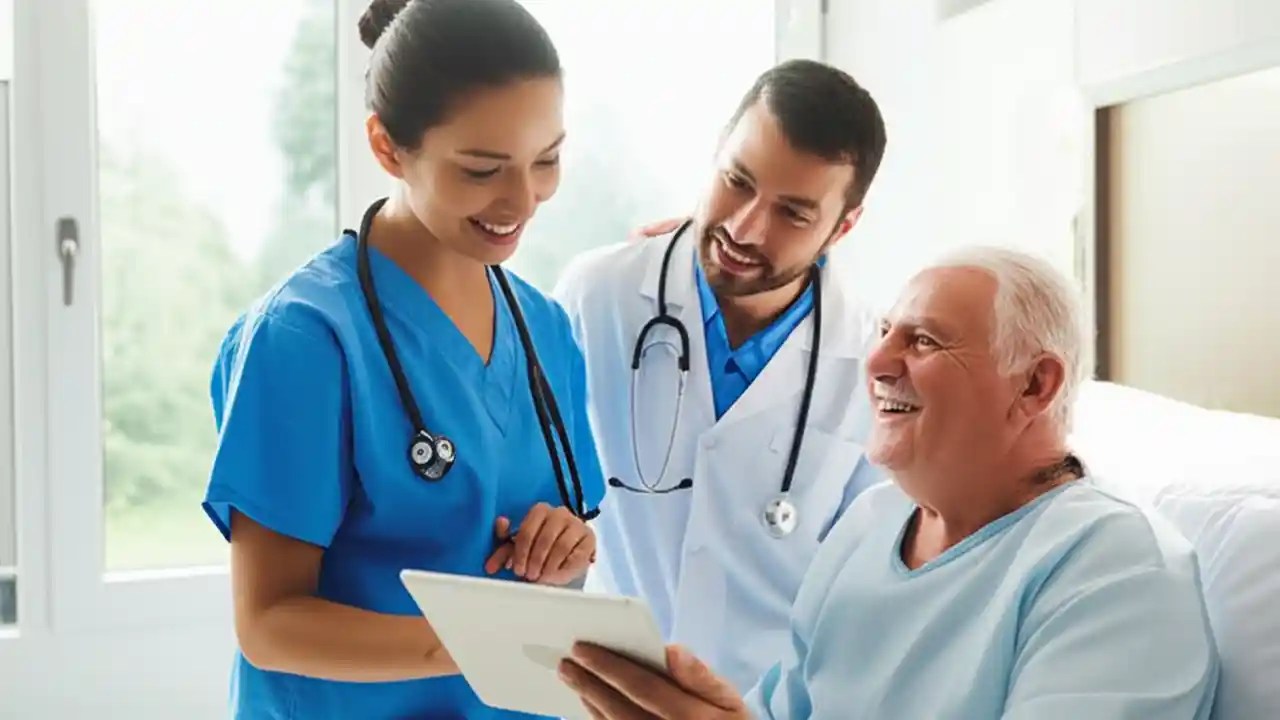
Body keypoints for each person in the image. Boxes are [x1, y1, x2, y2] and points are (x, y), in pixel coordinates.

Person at [558, 247, 1220, 719]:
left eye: (925, 341)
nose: (874, 361)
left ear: (1034, 385)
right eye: (883, 333)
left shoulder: (1116, 569)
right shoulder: (870, 525)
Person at [201, 1, 605, 717]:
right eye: (482, 169)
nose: (524, 198)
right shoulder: (305, 337)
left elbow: (556, 565)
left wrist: (563, 553)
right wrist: (479, 641)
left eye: (546, 160)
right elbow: (268, 622)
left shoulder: (544, 329)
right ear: (388, 148)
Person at [552, 59, 889, 692]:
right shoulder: (597, 295)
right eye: (737, 182)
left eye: (793, 213)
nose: (744, 228)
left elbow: (864, 590)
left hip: (766, 704)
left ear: (843, 227)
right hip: (599, 688)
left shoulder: (875, 363)